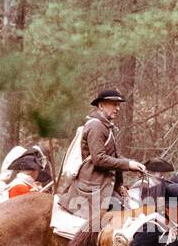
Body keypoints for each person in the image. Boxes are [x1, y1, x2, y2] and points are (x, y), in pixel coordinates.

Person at [61, 89, 146, 229]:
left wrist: (121, 182)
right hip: (92, 189)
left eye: (118, 105)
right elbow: (99, 159)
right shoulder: (96, 126)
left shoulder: (105, 127)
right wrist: (128, 164)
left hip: (103, 187)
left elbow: (113, 158)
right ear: (101, 105)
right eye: (113, 104)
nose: (117, 108)